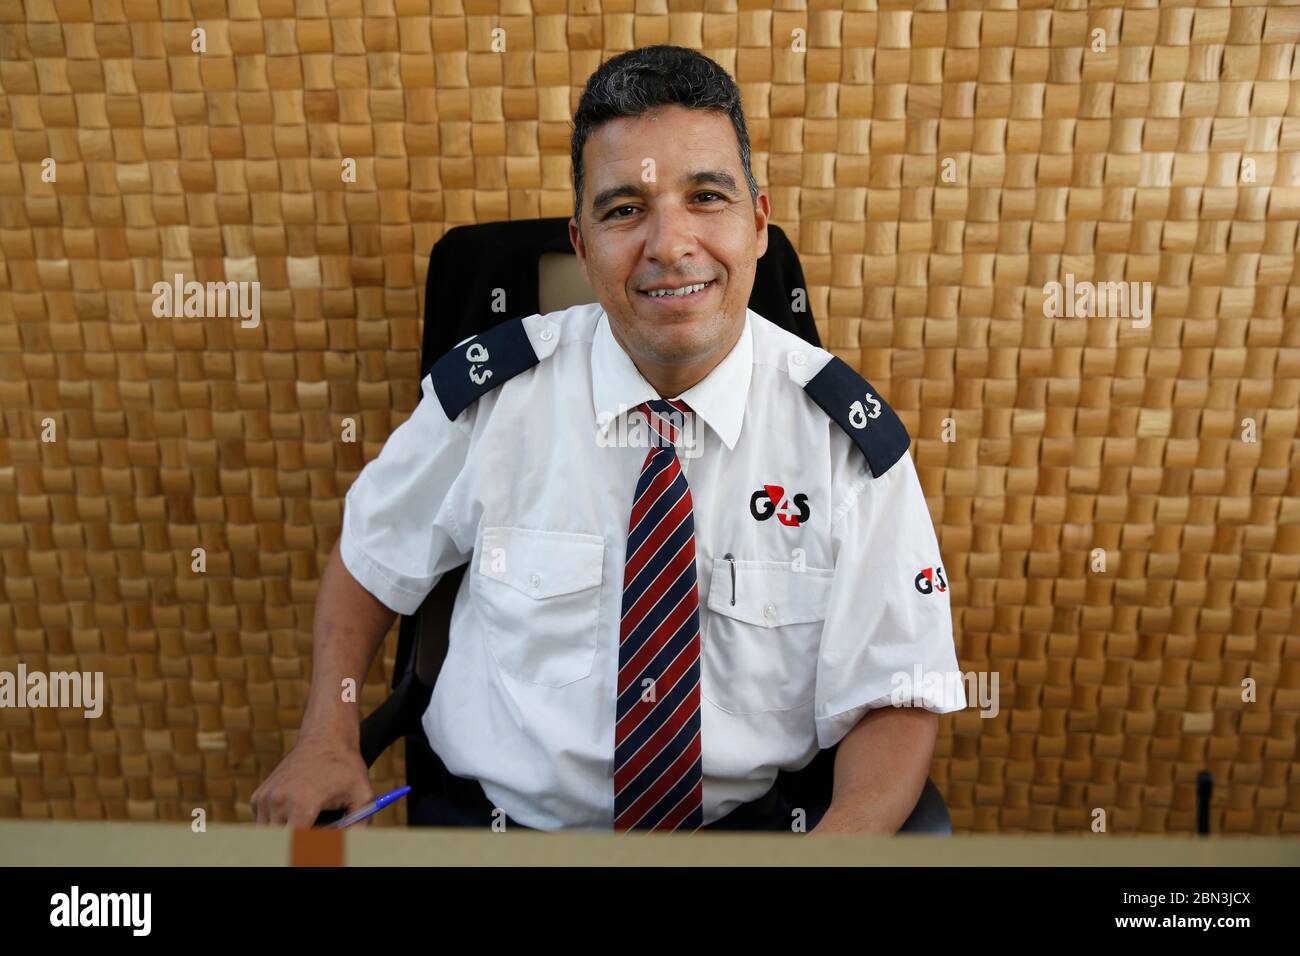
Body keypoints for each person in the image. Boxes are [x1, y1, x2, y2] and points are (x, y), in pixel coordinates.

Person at [252, 45, 966, 833]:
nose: (669, 244)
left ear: (759, 223)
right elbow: (371, 558)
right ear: (582, 244)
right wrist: (326, 733)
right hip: (502, 834)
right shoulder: (491, 399)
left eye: (707, 197)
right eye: (625, 208)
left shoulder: (843, 440)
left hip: (750, 839)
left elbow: (896, 690)